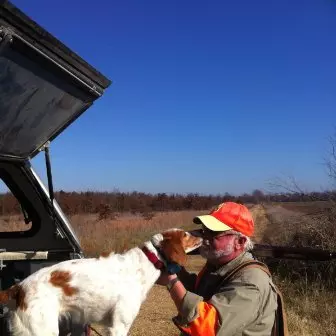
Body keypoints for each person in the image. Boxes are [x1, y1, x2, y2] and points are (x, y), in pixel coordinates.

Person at [156, 201, 285, 336]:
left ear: (239, 242)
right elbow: (199, 290)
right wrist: (172, 267)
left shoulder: (251, 281)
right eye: (205, 231)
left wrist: (171, 280)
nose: (205, 238)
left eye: (214, 233)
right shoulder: (218, 264)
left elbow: (208, 326)